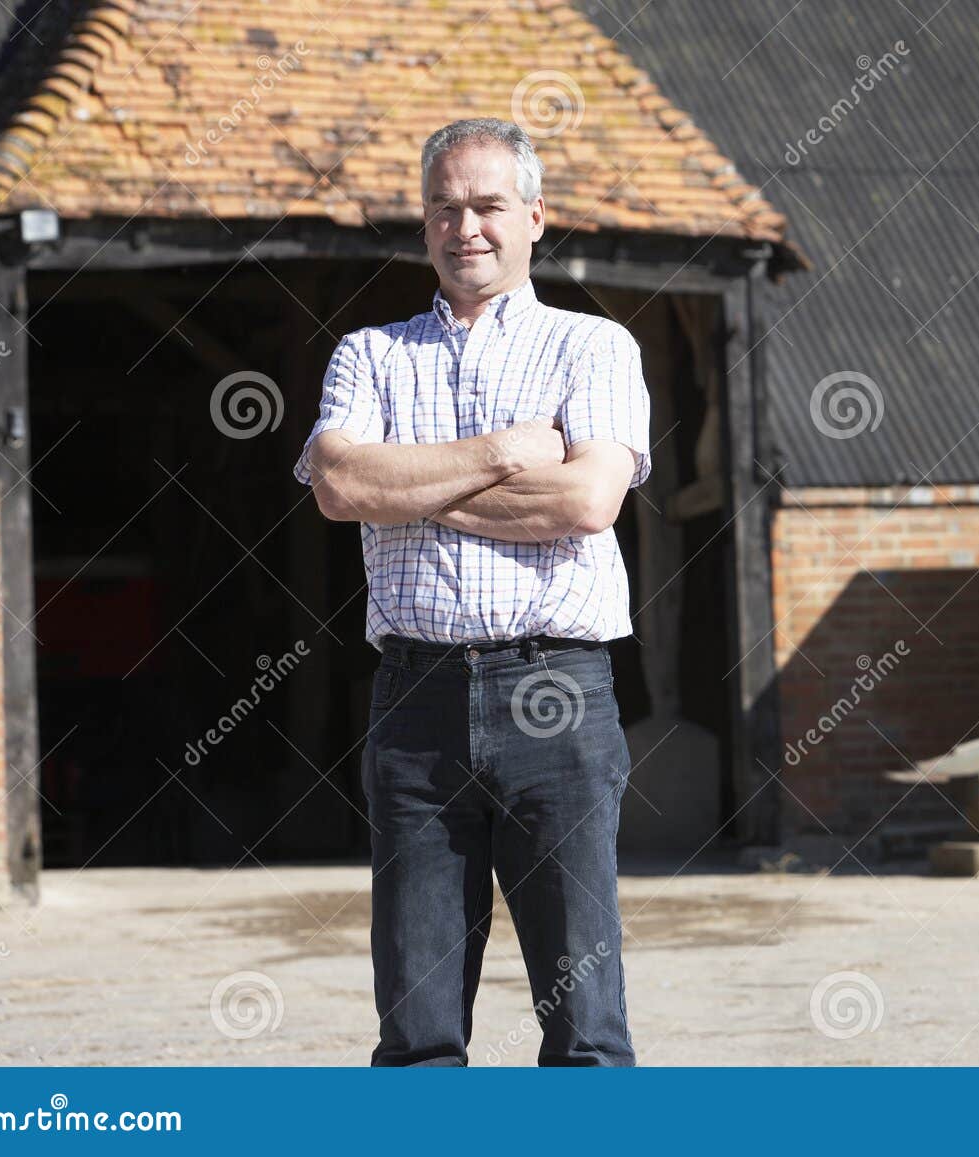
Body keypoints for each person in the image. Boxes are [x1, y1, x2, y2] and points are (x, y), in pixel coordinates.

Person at [292, 117, 649, 1066]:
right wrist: (499, 455)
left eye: (489, 205)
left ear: (535, 217)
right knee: (416, 1027)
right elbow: (339, 488)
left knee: (586, 1023)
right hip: (416, 699)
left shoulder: (594, 346)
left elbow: (584, 499)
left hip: (557, 696)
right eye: (444, 208)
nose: (467, 227)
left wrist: (410, 487)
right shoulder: (369, 356)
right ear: (423, 224)